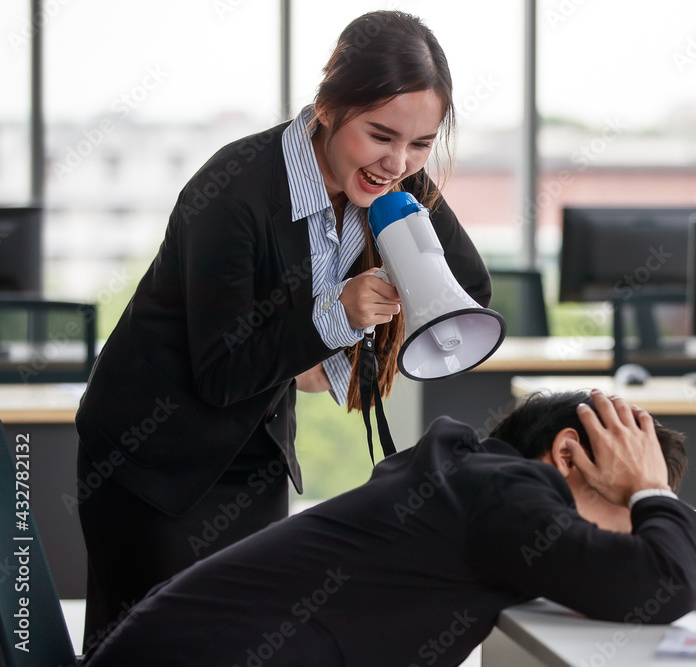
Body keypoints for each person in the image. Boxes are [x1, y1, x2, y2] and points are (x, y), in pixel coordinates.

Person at [73, 10, 491, 650]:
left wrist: (389, 297)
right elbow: (222, 370)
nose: (399, 163)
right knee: (150, 648)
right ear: (328, 106)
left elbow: (466, 288)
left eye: (421, 143)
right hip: (151, 457)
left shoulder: (396, 181)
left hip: (256, 452)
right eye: (380, 135)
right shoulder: (231, 192)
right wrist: (337, 317)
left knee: (246, 645)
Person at [83, 390, 696, 666]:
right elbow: (659, 585)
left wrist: (649, 497)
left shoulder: (470, 479)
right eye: (627, 509)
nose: (631, 530)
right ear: (568, 457)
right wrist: (652, 491)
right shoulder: (500, 497)